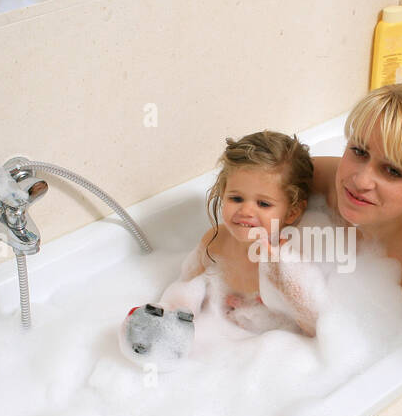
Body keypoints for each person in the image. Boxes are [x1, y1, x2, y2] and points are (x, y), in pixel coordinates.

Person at [265, 69, 402, 332]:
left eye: (393, 171)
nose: (361, 181)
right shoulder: (315, 180)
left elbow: (357, 349)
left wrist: (292, 289)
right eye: (359, 151)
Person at [120, 131, 314, 366]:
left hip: (271, 357)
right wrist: (172, 313)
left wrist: (284, 283)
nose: (246, 211)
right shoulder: (216, 241)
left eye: (263, 203)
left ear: (292, 212)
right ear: (223, 193)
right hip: (218, 347)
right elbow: (186, 284)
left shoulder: (291, 259)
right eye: (236, 198)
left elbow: (314, 328)